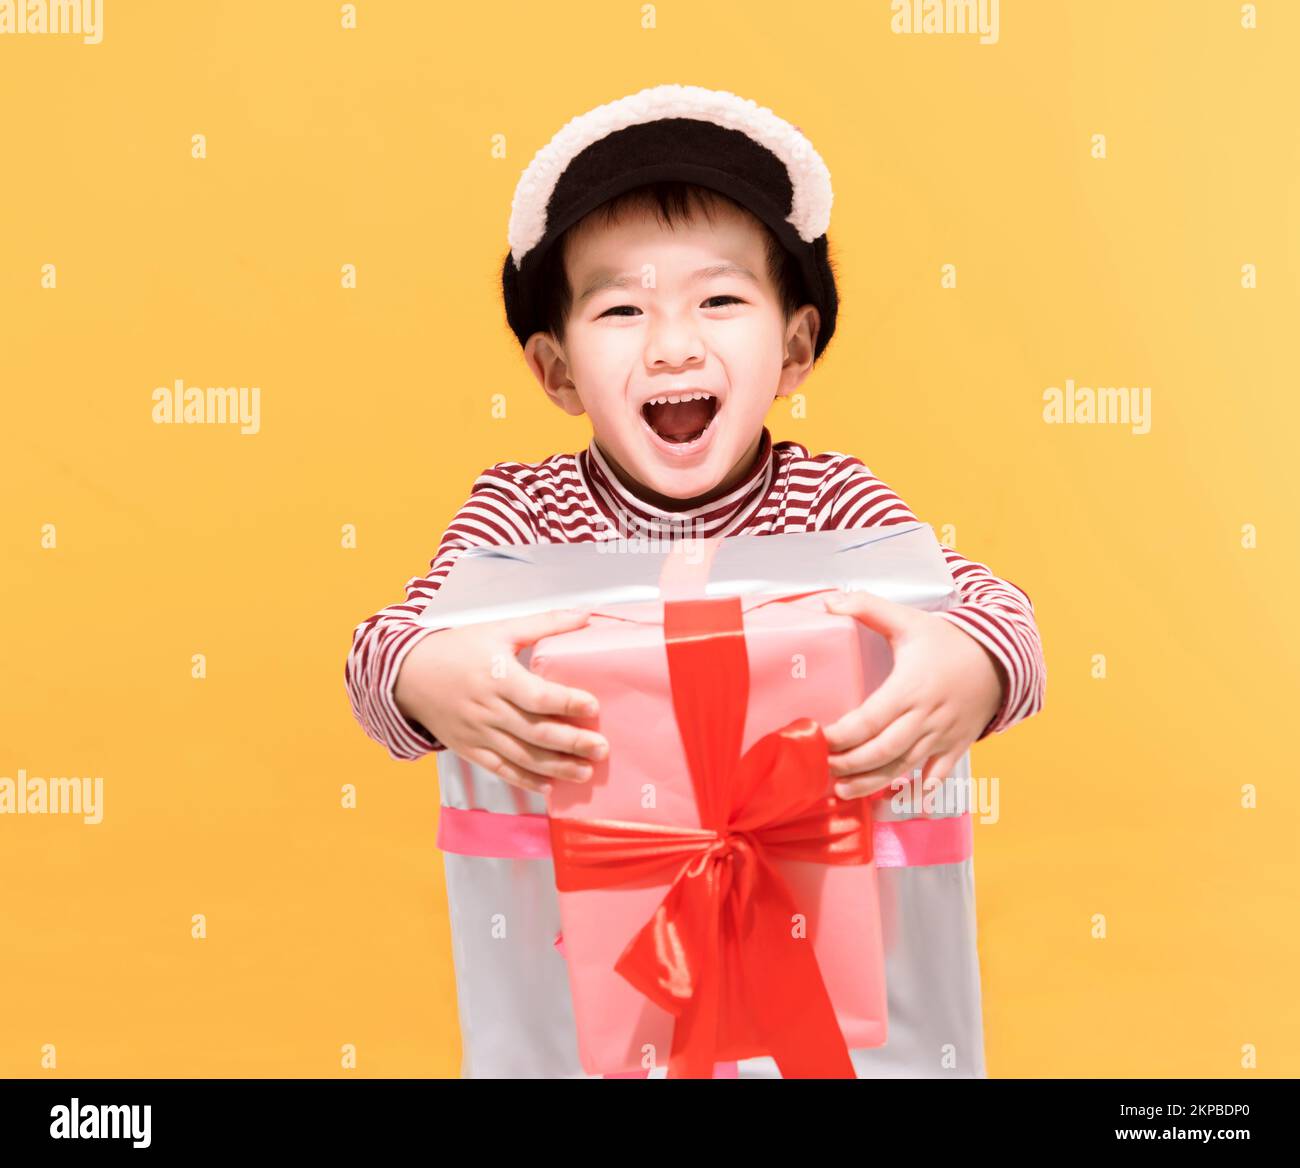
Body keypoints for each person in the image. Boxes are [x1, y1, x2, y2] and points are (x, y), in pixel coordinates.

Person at [344, 84, 1046, 1078]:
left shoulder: (833, 504)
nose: (672, 343)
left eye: (718, 298)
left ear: (794, 348)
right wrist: (426, 675)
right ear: (557, 372)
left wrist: (971, 663)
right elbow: (379, 650)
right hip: (583, 996)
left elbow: (995, 610)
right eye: (622, 308)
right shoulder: (521, 513)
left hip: (817, 978)